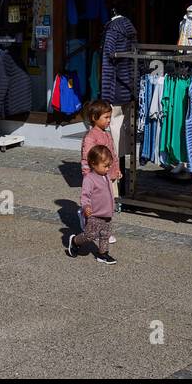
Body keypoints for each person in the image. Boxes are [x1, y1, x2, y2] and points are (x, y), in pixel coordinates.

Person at [67, 143, 117, 265]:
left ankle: (102, 254)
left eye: (109, 165)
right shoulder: (89, 178)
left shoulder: (106, 176)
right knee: (90, 235)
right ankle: (75, 241)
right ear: (94, 164)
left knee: (105, 235)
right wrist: (86, 206)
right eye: (105, 166)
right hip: (95, 214)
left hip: (107, 213)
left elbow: (108, 192)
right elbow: (85, 196)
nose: (108, 168)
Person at [80, 99, 119, 244]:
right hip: (95, 178)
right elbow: (86, 158)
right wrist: (87, 175)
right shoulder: (91, 137)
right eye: (106, 117)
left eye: (110, 117)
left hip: (108, 176)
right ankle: (91, 226)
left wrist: (116, 169)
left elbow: (112, 154)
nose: (109, 120)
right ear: (94, 118)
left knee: (108, 202)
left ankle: (105, 230)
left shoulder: (107, 134)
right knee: (96, 204)